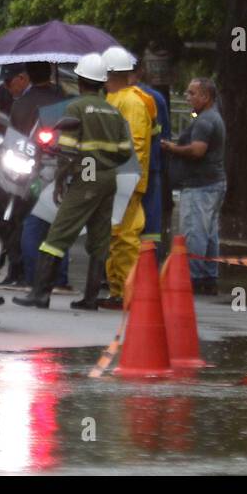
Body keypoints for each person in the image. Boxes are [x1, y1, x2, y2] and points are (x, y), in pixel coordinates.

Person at [16, 53, 133, 310]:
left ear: (80, 80)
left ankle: (40, 293)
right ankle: (90, 298)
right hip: (107, 178)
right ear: (101, 82)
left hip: (85, 178)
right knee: (99, 239)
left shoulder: (76, 108)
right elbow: (125, 151)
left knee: (57, 234)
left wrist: (59, 181)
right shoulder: (113, 112)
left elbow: (67, 151)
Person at [6, 60, 74, 289]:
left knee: (27, 221)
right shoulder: (62, 103)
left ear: (28, 76)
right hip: (57, 167)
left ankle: (30, 274)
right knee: (57, 222)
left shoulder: (20, 104)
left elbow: (13, 137)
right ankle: (60, 278)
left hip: (25, 167)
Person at [162, 78, 226, 296]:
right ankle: (209, 277)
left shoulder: (205, 121)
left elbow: (197, 150)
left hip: (201, 185)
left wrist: (172, 147)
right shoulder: (211, 117)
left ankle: (195, 277)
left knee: (195, 232)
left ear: (205, 97)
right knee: (209, 233)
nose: (187, 97)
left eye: (191, 93)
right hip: (213, 183)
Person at [101, 46, 152, 311]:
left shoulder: (131, 101)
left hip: (126, 178)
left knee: (125, 237)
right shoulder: (114, 98)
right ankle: (118, 290)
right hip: (117, 177)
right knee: (116, 236)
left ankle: (128, 292)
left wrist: (125, 178)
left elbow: (137, 144)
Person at [129, 57, 171, 266]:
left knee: (138, 218)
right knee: (145, 218)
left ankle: (142, 264)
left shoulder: (117, 97)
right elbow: (163, 137)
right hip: (148, 166)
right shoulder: (154, 98)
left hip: (140, 168)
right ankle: (145, 264)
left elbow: (162, 137)